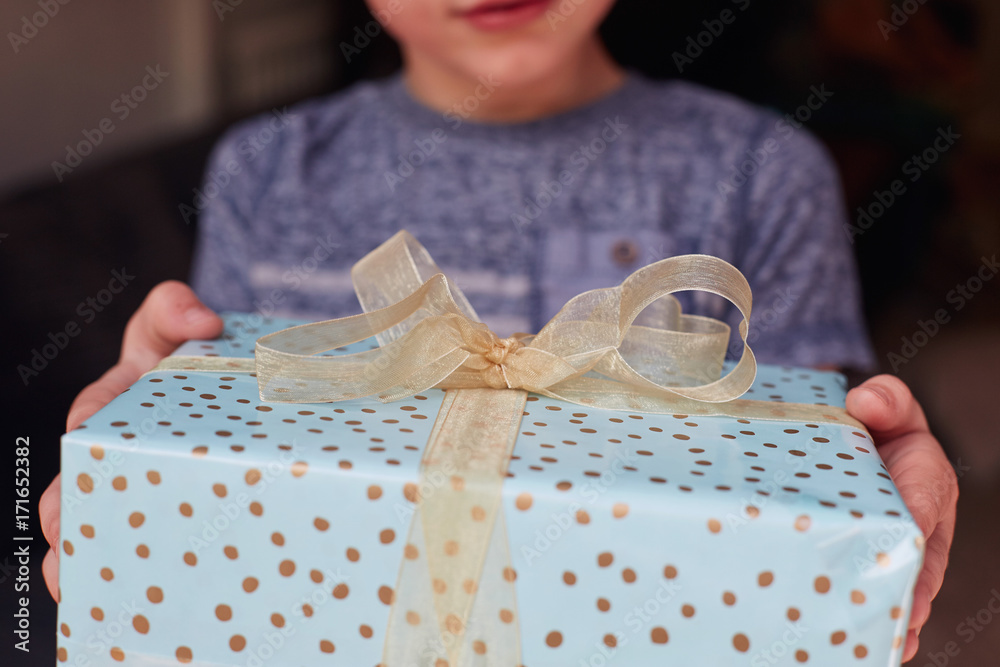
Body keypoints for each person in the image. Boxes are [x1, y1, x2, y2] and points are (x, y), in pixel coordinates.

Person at [39, 0, 956, 662]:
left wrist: (868, 508)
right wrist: (145, 441)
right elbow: (237, 445)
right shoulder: (267, 170)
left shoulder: (764, 171)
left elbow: (801, 485)